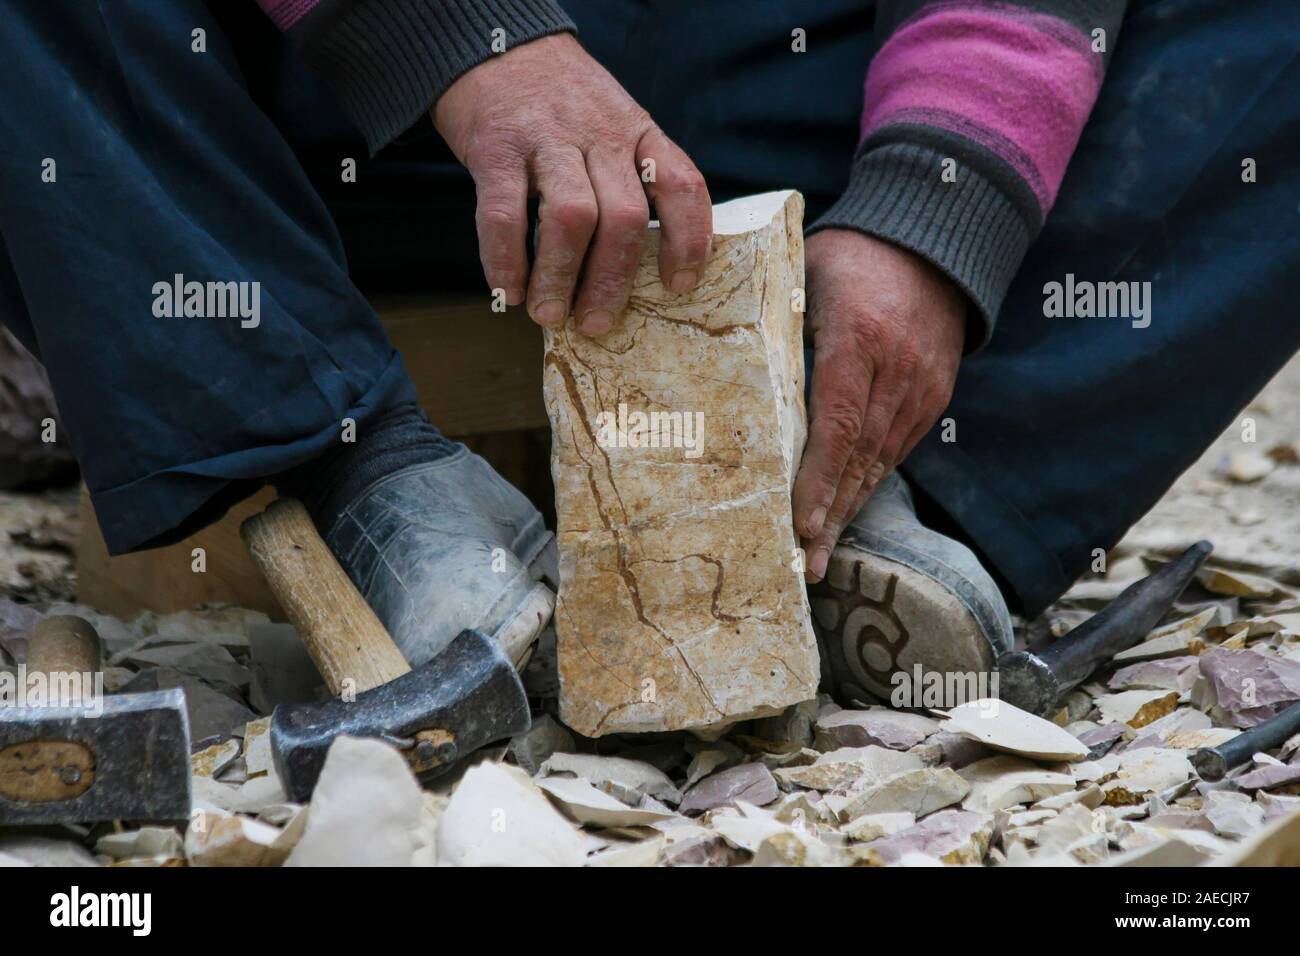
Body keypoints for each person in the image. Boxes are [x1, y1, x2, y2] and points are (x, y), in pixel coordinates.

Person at [2, 0, 1296, 706]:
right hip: (301, 98)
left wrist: (943, 200)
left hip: (780, 91)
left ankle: (868, 488)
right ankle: (367, 480)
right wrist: (465, 37)